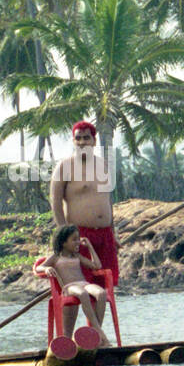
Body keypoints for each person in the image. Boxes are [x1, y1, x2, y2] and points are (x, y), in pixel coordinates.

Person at [50, 122, 120, 297]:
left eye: (86, 138)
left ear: (93, 141)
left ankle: (95, 326)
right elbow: (56, 202)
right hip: (79, 237)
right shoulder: (64, 166)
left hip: (105, 236)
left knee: (103, 289)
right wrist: (64, 237)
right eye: (78, 138)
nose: (82, 142)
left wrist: (113, 232)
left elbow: (107, 200)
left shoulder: (103, 165)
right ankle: (67, 326)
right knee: (76, 289)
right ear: (73, 141)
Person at [36, 224, 112, 345]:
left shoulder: (77, 256)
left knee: (101, 293)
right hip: (69, 287)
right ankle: (101, 334)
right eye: (74, 239)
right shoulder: (56, 257)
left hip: (83, 284)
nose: (78, 242)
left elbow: (97, 266)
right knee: (82, 294)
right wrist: (46, 269)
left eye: (78, 239)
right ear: (63, 242)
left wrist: (90, 246)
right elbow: (39, 267)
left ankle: (95, 333)